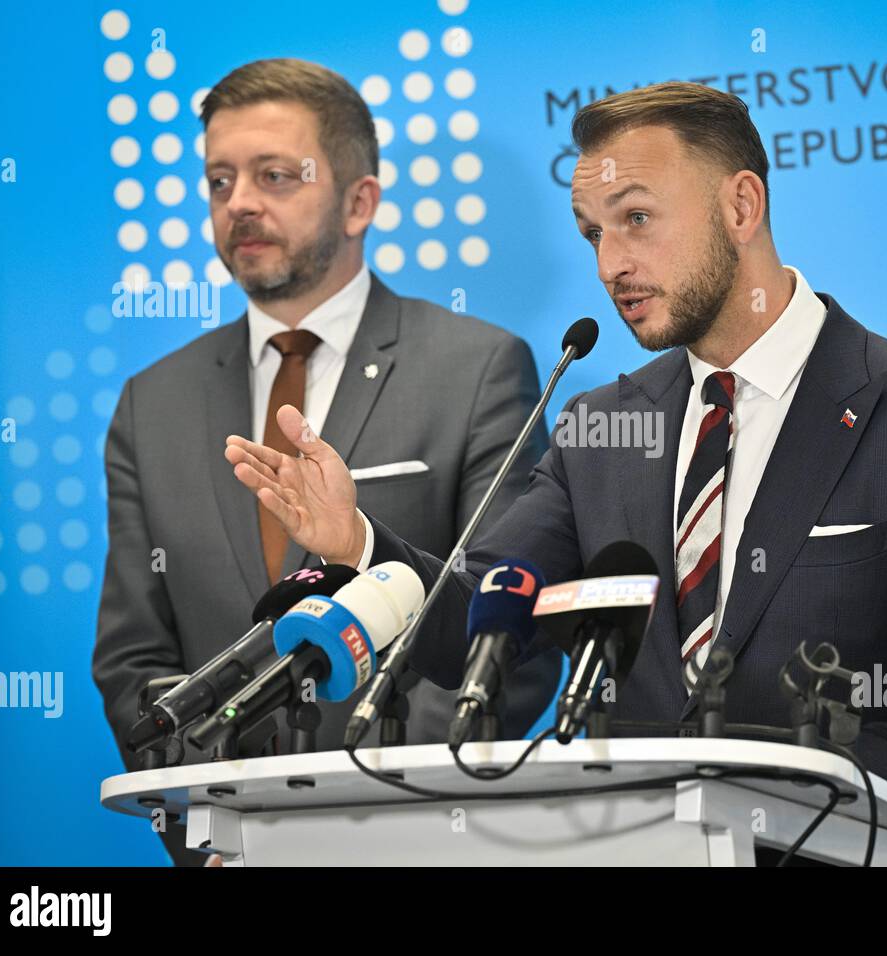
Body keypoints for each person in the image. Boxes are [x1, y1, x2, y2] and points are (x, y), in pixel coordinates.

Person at [225, 82, 887, 865]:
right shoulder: (603, 425)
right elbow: (484, 616)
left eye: (636, 219)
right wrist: (359, 542)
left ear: (741, 204)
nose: (609, 266)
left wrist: (813, 786)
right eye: (594, 233)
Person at [93, 58, 560, 867]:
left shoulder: (477, 368)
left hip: (418, 842)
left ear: (359, 201)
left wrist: (363, 824)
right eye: (219, 180)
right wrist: (224, 826)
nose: (239, 201)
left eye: (275, 175)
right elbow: (135, 660)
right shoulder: (150, 403)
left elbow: (506, 633)